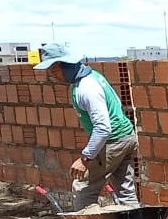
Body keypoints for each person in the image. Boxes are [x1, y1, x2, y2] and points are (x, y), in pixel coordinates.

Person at [34, 43, 139, 210]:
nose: (53, 76)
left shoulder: (86, 88)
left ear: (65, 66)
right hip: (126, 138)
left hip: (113, 141)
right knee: (124, 190)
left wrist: (86, 158)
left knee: (83, 186)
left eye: (54, 70)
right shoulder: (94, 77)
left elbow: (103, 127)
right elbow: (116, 104)